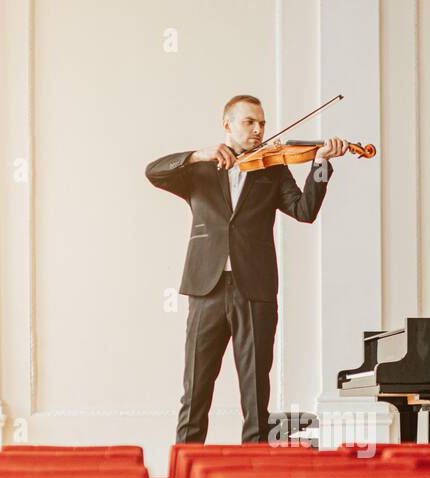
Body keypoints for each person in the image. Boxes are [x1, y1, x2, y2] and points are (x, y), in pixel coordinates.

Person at [146, 94, 348, 443]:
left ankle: (253, 477)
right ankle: (186, 471)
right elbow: (154, 171)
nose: (258, 130)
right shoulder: (198, 170)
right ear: (227, 125)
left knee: (255, 395)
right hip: (205, 289)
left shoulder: (273, 167)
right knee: (195, 391)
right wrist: (198, 154)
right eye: (248, 122)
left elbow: (304, 211)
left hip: (254, 290)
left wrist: (320, 164)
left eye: (262, 123)